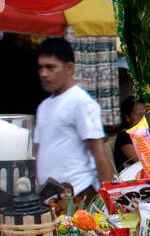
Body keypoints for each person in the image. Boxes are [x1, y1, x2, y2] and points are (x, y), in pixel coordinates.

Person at [34, 38, 111, 197]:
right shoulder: (43, 107)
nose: (43, 73)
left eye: (50, 67)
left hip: (77, 192)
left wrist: (108, 199)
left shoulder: (81, 102)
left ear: (70, 68)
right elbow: (37, 151)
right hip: (46, 197)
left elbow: (98, 152)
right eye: (40, 67)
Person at [113, 97, 144, 166]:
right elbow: (141, 160)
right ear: (127, 117)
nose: (143, 119)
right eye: (139, 115)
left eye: (144, 115)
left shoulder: (142, 134)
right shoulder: (123, 137)